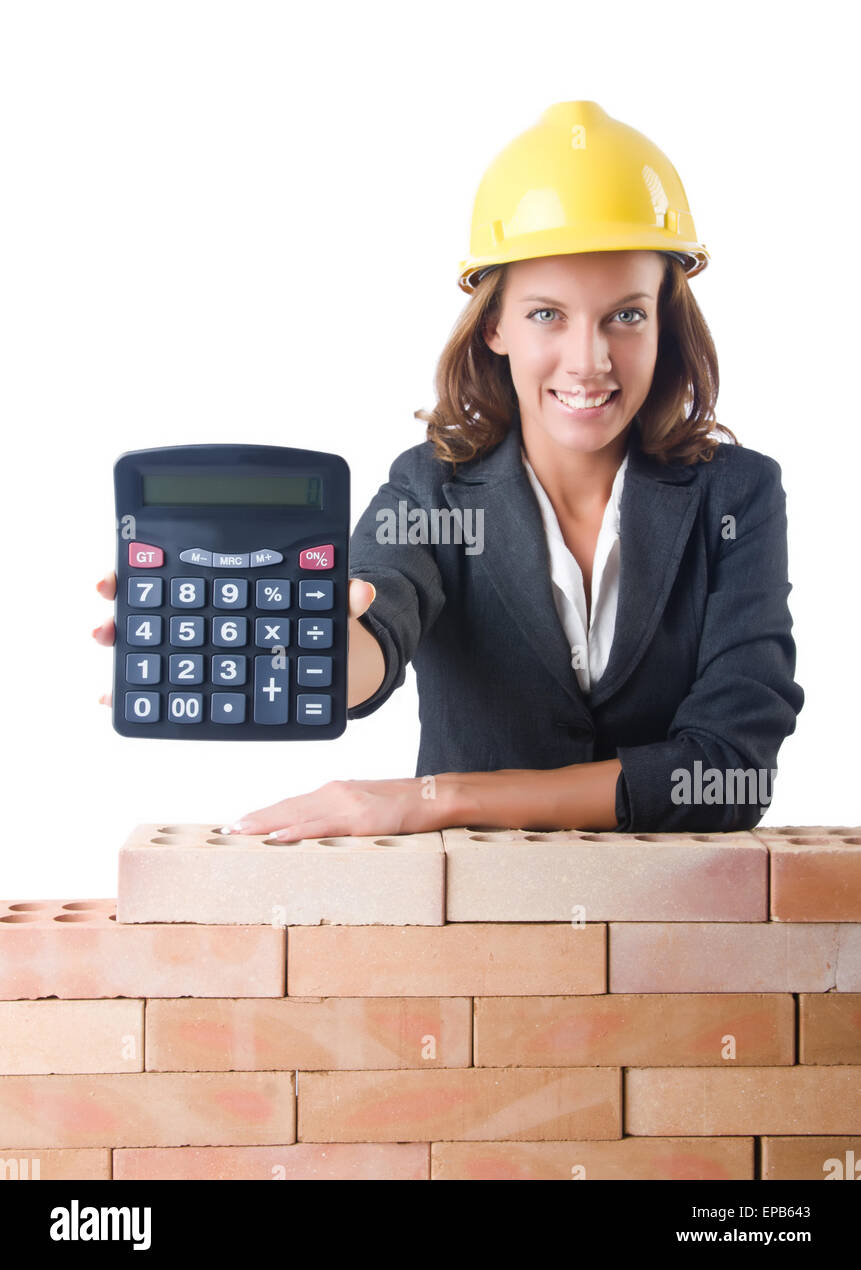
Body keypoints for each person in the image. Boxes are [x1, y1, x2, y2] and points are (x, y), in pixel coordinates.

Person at [93, 100, 804, 840]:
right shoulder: (430, 491)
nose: (588, 361)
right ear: (492, 324)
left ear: (664, 322)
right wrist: (289, 634)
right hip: (472, 929)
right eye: (546, 315)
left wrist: (439, 798)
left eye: (625, 315)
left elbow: (731, 769)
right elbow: (375, 631)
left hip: (684, 926)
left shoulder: (737, 495)